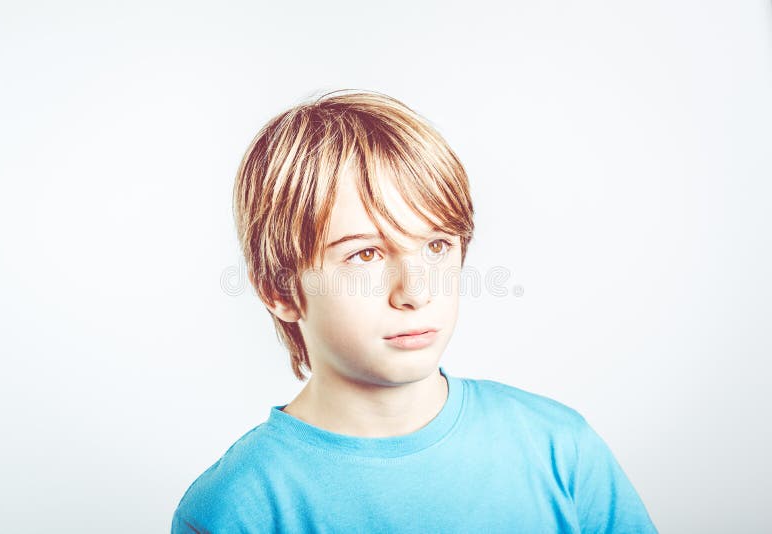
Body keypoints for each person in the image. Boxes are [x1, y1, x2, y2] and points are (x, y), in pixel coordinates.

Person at [171, 90, 657, 533]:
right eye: (365, 254)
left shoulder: (559, 447)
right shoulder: (233, 509)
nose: (416, 292)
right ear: (280, 289)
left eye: (437, 245)